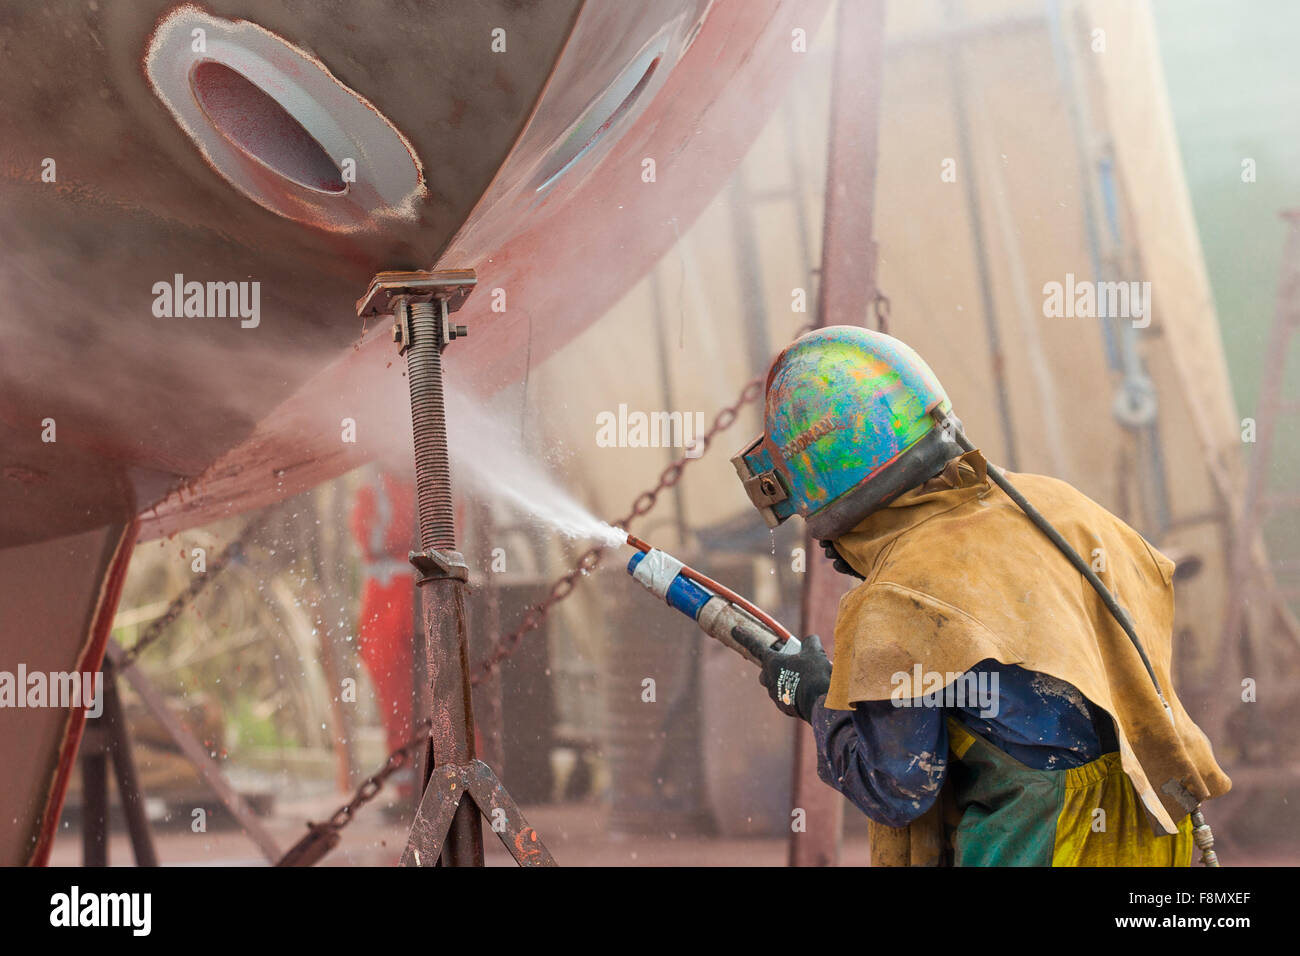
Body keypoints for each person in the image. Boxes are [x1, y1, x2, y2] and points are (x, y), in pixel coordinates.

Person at [730, 326, 1230, 866]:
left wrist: (812, 695)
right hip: (1154, 824)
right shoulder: (1060, 505)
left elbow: (898, 787)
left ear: (823, 499)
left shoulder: (896, 597)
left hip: (1044, 842)